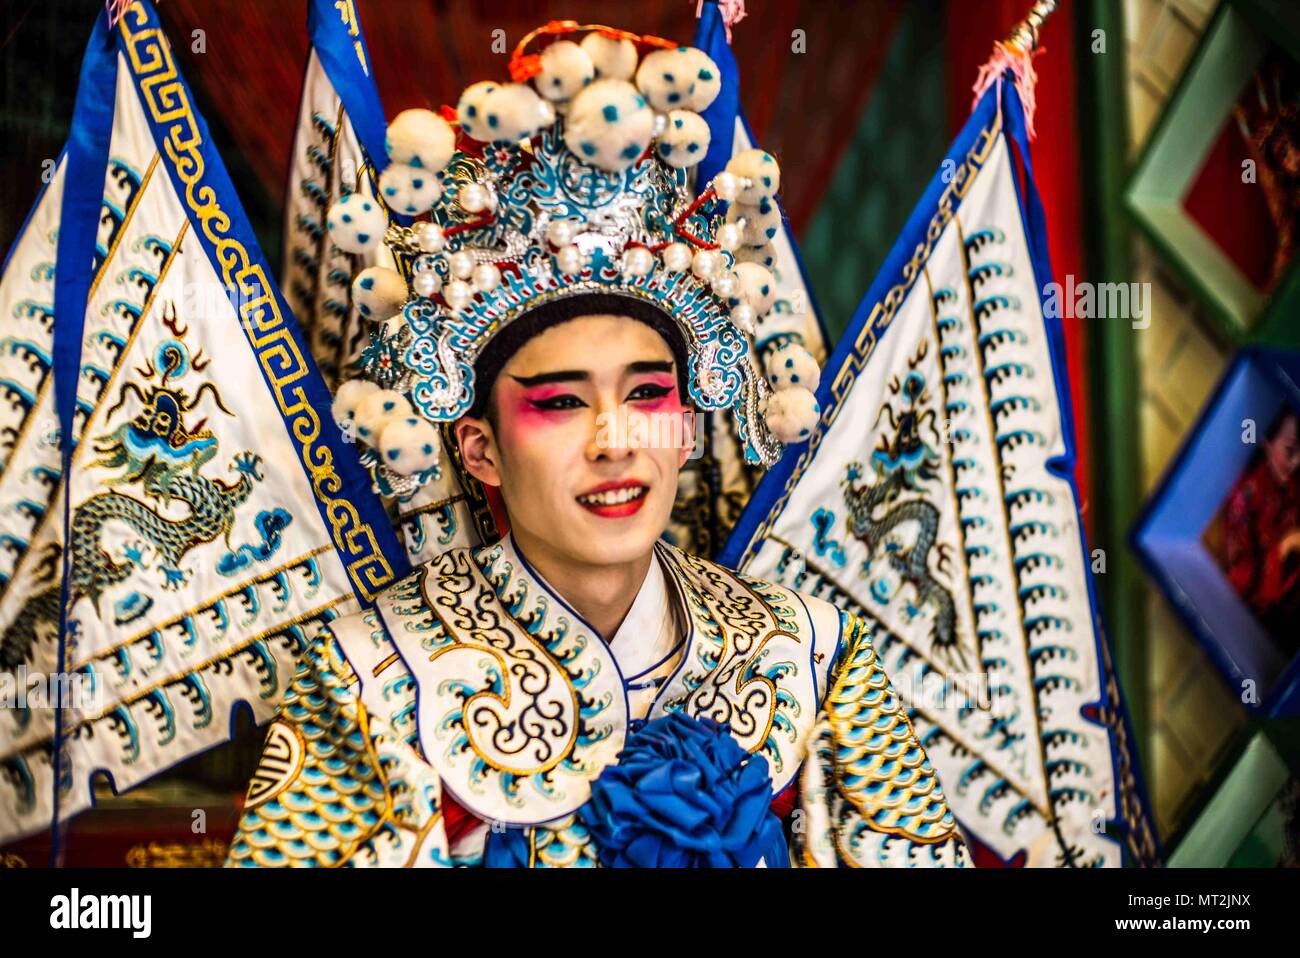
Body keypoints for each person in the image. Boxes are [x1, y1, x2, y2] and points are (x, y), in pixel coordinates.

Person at [225, 21, 969, 868]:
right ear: (479, 449)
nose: (617, 441)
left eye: (648, 394)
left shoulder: (811, 655)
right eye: (561, 403)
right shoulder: (373, 681)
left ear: (687, 427)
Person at [1224, 408, 1300, 658]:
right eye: (1290, 450)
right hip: (1258, 624)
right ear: (1267, 442)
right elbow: (1237, 578)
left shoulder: (1291, 489)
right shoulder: (1246, 493)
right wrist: (1286, 546)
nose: (1296, 461)